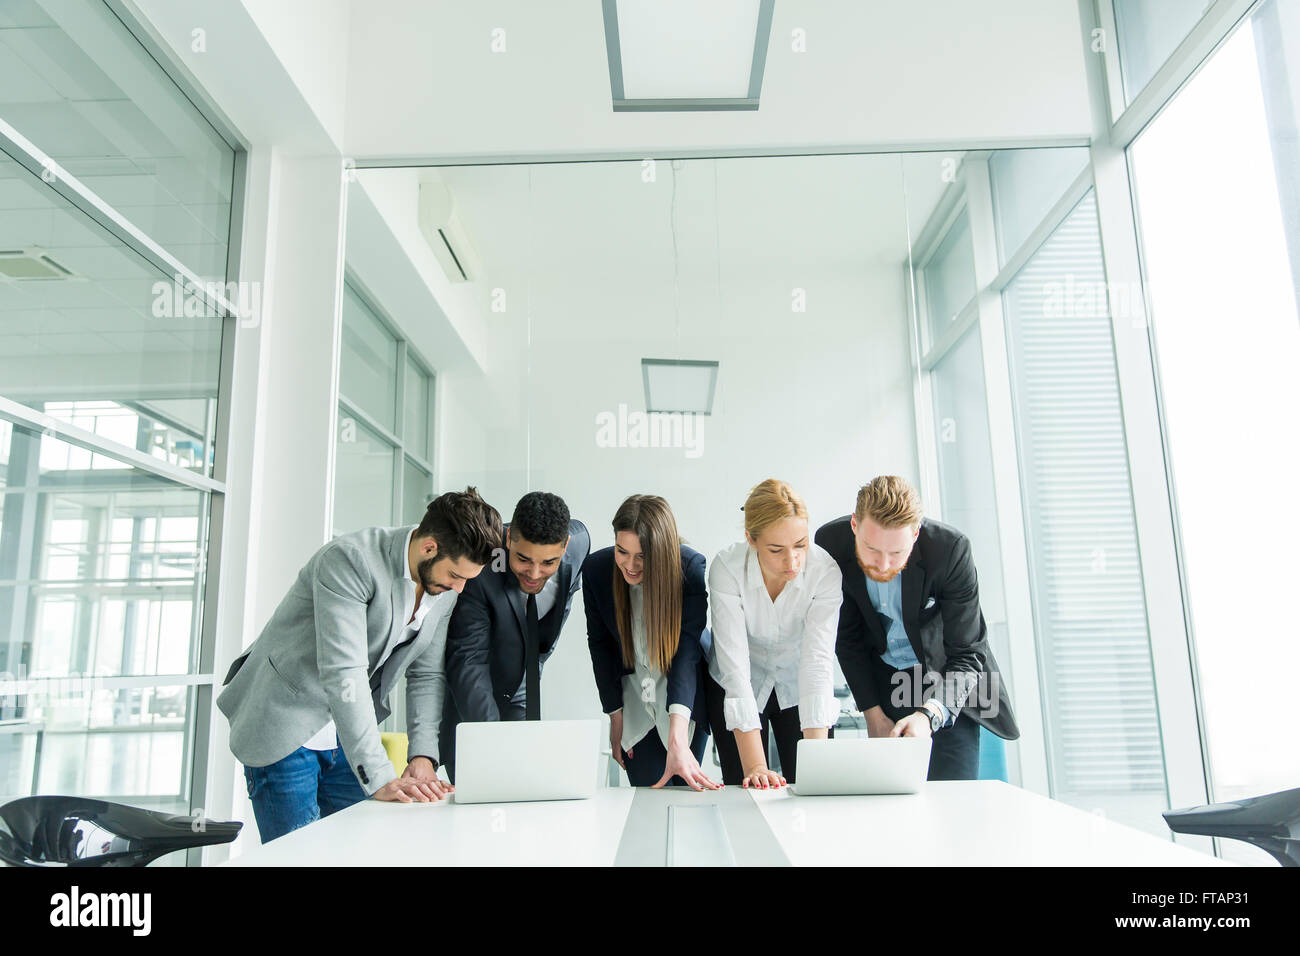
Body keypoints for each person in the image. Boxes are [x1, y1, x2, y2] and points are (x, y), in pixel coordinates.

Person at [216, 487, 503, 841]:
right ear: (429, 547)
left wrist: (424, 755)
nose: (460, 589)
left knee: (362, 846)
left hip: (346, 732)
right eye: (456, 576)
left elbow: (427, 673)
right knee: (298, 857)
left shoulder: (441, 587)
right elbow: (344, 671)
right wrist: (381, 775)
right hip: (285, 724)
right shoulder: (351, 559)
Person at [815, 475, 1018, 781]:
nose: (883, 565)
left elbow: (967, 652)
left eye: (896, 553)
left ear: (915, 533)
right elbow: (848, 638)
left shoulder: (950, 550)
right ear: (855, 526)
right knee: (892, 801)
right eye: (871, 550)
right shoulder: (830, 544)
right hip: (885, 682)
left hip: (947, 680)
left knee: (953, 798)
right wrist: (872, 713)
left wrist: (929, 715)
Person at [440, 491, 590, 781]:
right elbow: (469, 660)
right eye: (523, 559)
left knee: (529, 789)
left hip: (524, 685)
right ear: (508, 539)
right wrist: (495, 743)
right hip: (476, 705)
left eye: (548, 562)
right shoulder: (482, 566)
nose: (534, 573)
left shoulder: (579, 544)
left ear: (565, 546)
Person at [705, 479, 843, 788]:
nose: (792, 561)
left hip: (799, 682)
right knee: (745, 789)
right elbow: (735, 669)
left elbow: (818, 662)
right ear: (751, 540)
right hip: (737, 684)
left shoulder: (825, 572)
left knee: (812, 781)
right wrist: (755, 767)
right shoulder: (727, 569)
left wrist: (817, 771)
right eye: (776, 549)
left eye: (801, 545)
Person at [583, 494, 719, 790]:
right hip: (635, 699)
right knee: (648, 795)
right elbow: (601, 646)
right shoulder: (596, 570)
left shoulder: (689, 568)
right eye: (622, 551)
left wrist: (677, 738)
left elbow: (686, 654)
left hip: (683, 698)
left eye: (642, 556)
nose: (630, 565)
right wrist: (615, 721)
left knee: (685, 795)